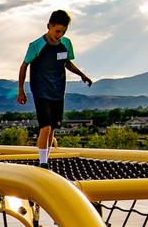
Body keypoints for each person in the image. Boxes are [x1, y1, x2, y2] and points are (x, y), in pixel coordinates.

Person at [16, 9, 94, 166]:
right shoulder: (36, 45)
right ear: (48, 26)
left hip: (58, 91)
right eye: (57, 31)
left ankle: (47, 158)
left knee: (52, 129)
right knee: (45, 126)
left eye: (63, 32)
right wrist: (21, 90)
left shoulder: (66, 44)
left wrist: (82, 75)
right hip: (41, 91)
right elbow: (24, 66)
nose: (60, 35)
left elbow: (67, 63)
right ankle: (43, 162)